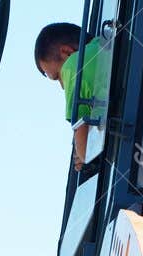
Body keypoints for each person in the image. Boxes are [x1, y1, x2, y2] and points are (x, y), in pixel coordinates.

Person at [35, 22, 108, 170]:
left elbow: (85, 151)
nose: (63, 86)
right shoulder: (110, 45)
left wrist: (81, 156)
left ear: (67, 52)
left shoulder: (74, 66)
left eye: (58, 76)